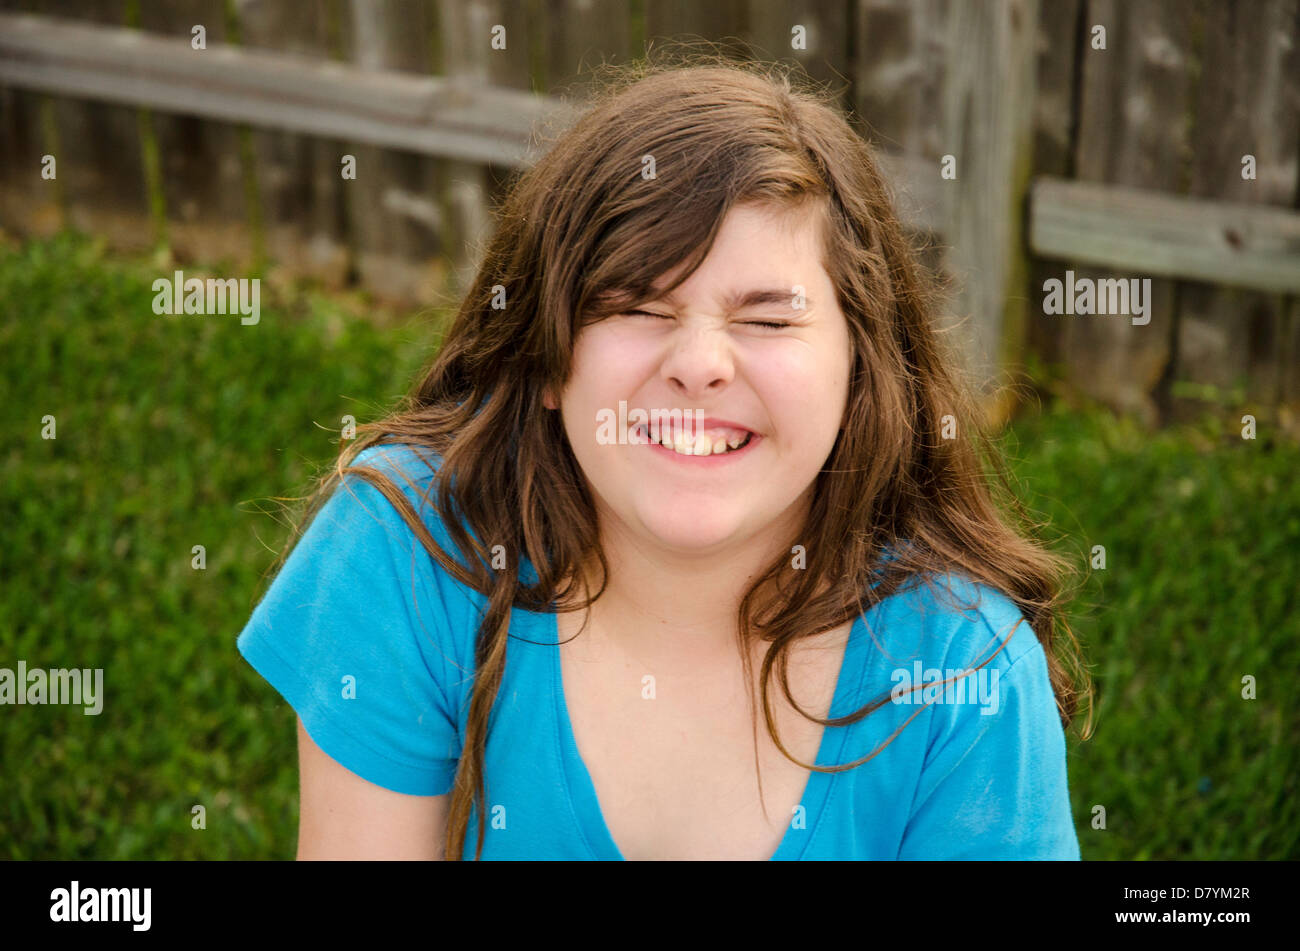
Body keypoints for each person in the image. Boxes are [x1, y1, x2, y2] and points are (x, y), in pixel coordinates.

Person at [237, 55, 1091, 861]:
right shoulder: (413, 552)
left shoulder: (961, 673)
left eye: (766, 318)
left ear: (861, 372)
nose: (700, 361)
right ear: (544, 355)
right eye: (639, 304)